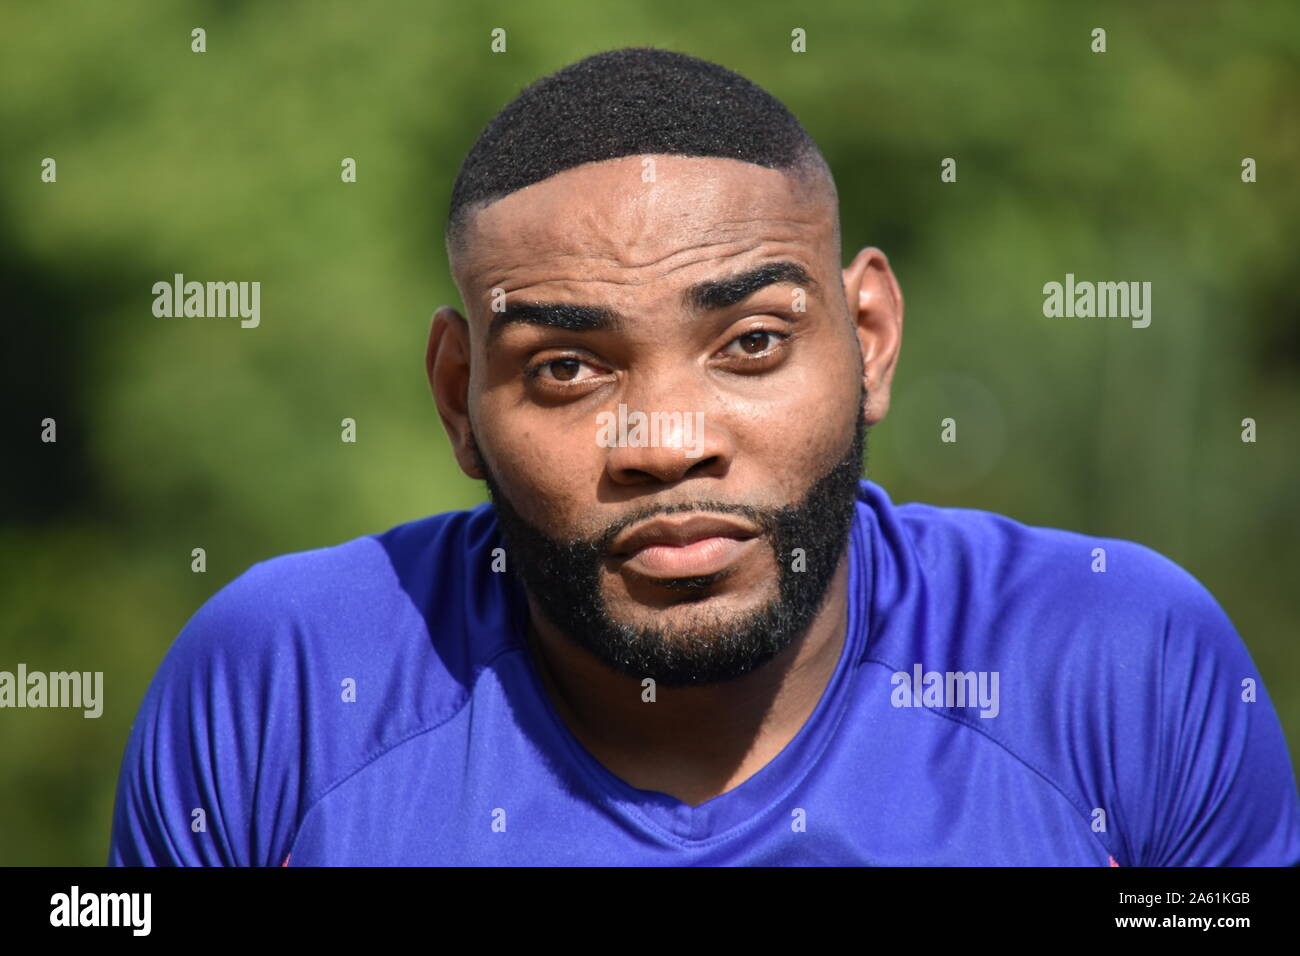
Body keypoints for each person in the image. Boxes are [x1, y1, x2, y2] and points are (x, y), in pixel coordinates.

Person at [109, 47, 1300, 865]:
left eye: (751, 343)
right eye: (569, 368)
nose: (667, 442)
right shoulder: (281, 686)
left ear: (869, 339)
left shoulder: (1114, 663)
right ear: (458, 399)